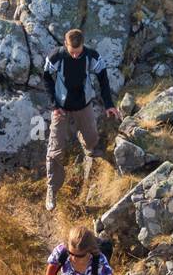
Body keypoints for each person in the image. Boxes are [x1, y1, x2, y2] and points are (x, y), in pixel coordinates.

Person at [43, 28, 121, 211]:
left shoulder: (91, 56)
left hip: (84, 106)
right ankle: (52, 189)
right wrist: (54, 105)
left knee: (92, 141)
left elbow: (103, 77)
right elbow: (46, 77)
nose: (76, 56)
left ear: (83, 45)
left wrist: (109, 104)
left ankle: (86, 142)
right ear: (65, 44)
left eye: (79, 52)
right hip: (61, 110)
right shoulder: (57, 57)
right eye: (72, 52)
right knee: (55, 151)